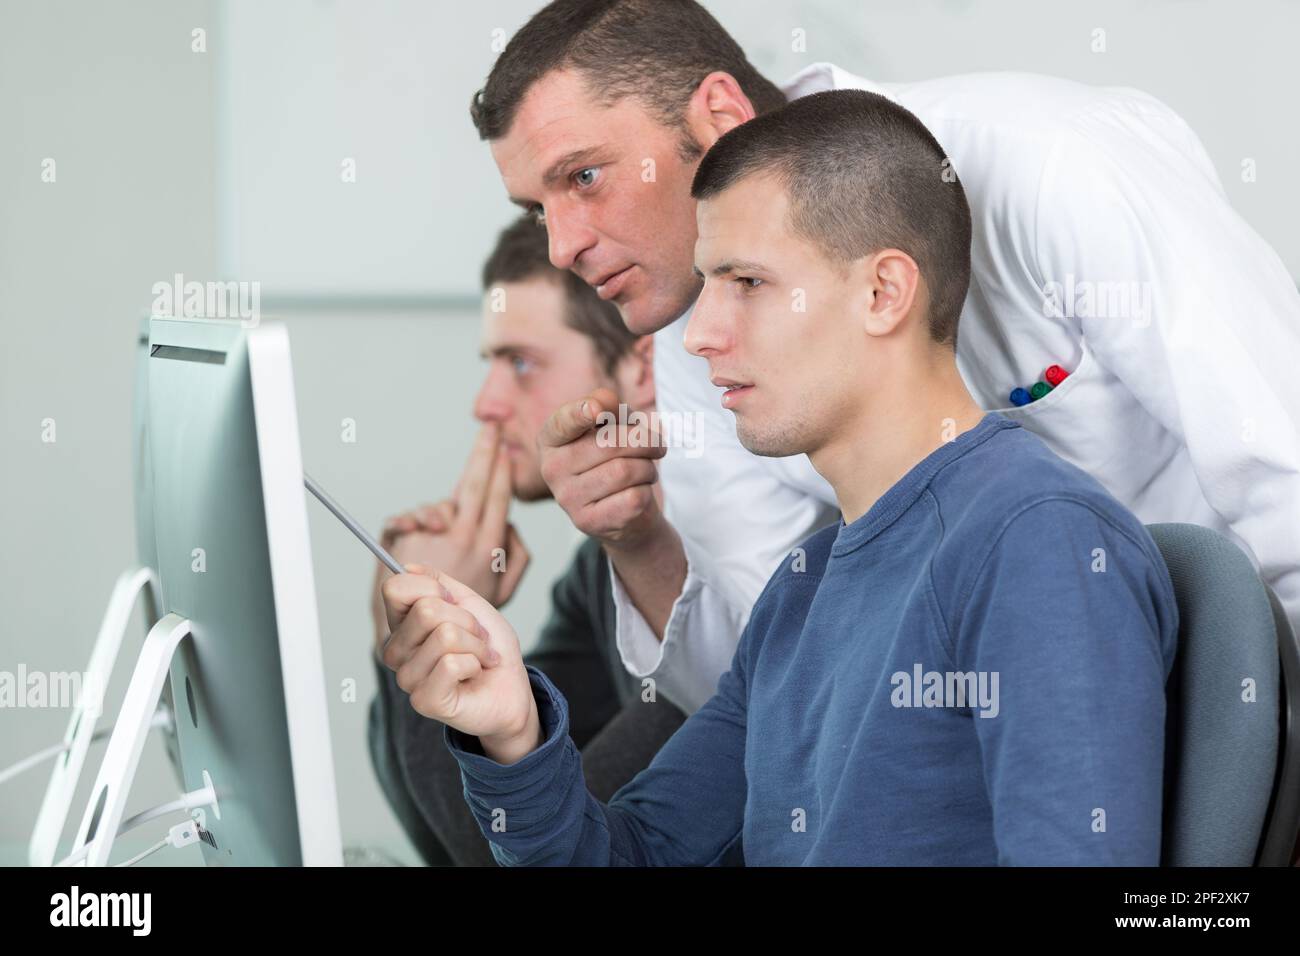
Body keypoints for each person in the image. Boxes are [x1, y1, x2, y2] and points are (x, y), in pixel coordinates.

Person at [379, 90, 1180, 865]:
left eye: (747, 283)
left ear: (882, 291)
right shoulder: (802, 591)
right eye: (706, 285)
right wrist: (513, 730)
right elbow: (633, 855)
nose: (699, 336)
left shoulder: (1037, 541)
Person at [470, 0, 1300, 715]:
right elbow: (771, 681)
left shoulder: (1051, 166)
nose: (562, 246)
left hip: (1251, 707)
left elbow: (1283, 466)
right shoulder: (696, 346)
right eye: (535, 208)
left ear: (716, 116)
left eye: (583, 176)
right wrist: (639, 543)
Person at [366, 215, 686, 866]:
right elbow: (460, 838)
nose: (486, 403)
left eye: (521, 363)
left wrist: (440, 625)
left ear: (641, 367)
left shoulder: (711, 579)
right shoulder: (600, 570)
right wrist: (411, 642)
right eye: (491, 363)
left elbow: (500, 855)